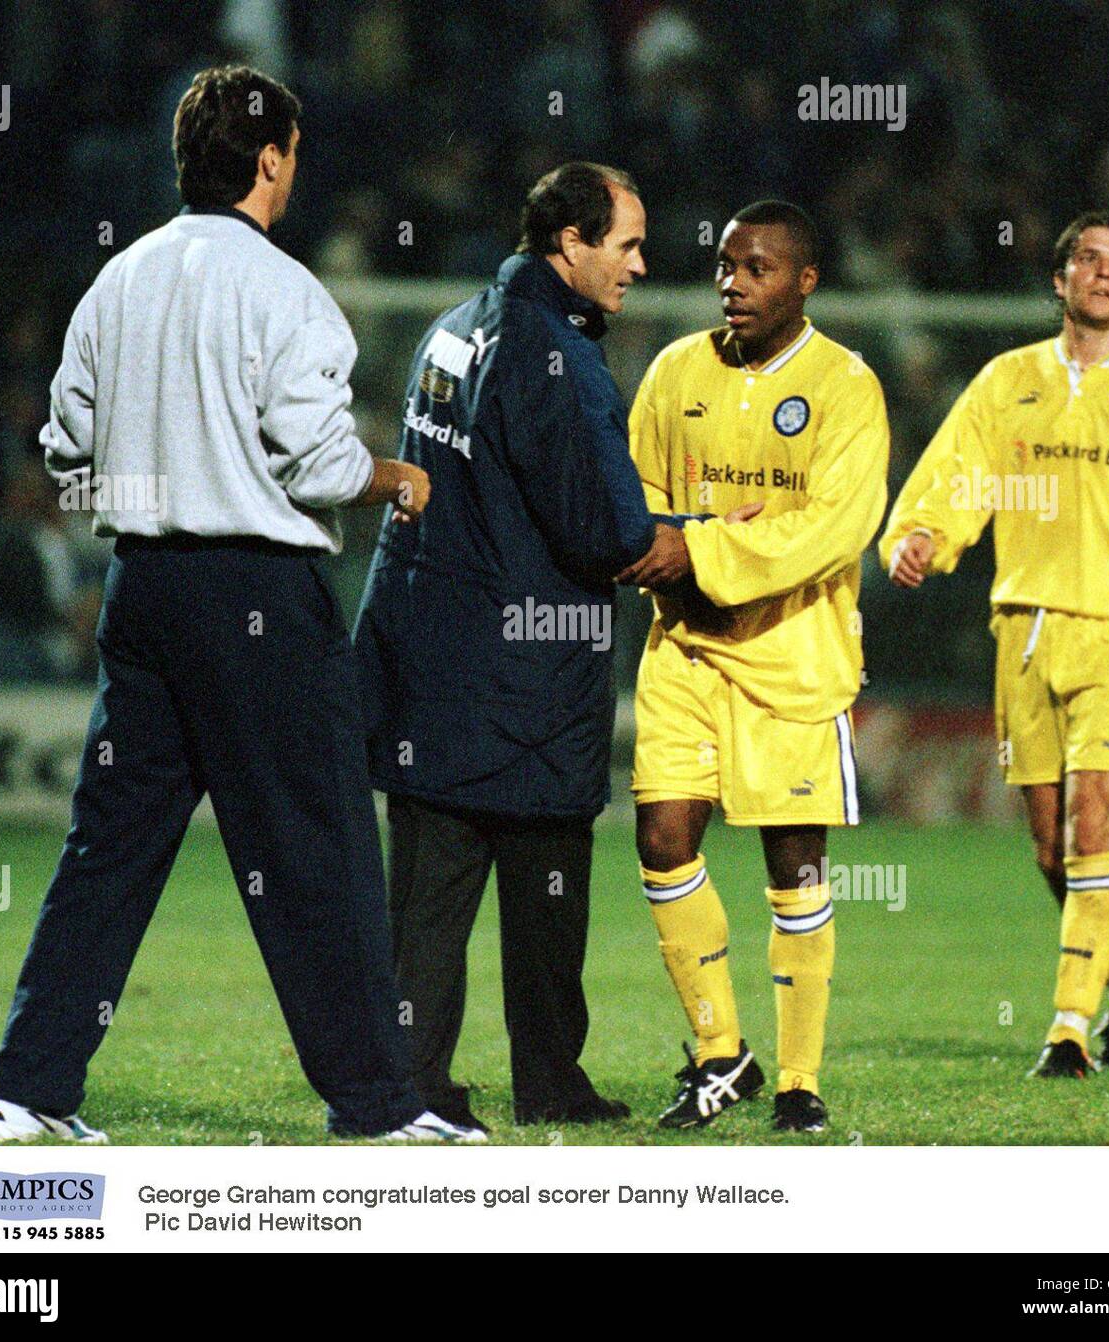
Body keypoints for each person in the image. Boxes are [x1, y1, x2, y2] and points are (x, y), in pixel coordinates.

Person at [0, 65, 480, 1145]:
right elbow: (315, 459)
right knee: (320, 844)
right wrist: (391, 475)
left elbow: (65, 440)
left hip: (144, 589)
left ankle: (26, 1087)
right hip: (257, 592)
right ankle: (382, 1106)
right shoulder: (286, 289)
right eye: (291, 150)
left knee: (107, 848)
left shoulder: (119, 278)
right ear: (269, 159)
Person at [354, 162, 684, 1129]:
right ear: (569, 244)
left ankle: (410, 1080)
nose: (638, 265)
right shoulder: (557, 356)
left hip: (430, 662)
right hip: (524, 681)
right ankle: (548, 1079)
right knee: (545, 894)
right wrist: (682, 534)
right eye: (624, 244)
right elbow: (604, 530)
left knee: (425, 899)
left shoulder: (453, 326)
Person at [880, 211, 1109, 1079]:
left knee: (1096, 818)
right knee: (1051, 848)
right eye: (1087, 260)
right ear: (1058, 282)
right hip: (1024, 625)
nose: (1103, 273)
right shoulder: (1006, 381)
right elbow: (955, 478)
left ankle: (1068, 1028)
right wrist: (920, 537)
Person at [619, 199, 889, 1133]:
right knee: (661, 841)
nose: (734, 283)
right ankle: (719, 1054)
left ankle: (802, 1079)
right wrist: (685, 550)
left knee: (796, 864)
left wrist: (706, 557)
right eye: (727, 265)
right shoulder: (674, 370)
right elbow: (640, 494)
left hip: (795, 658)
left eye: (758, 268)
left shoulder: (847, 387)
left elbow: (836, 527)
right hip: (687, 647)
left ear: (804, 282)